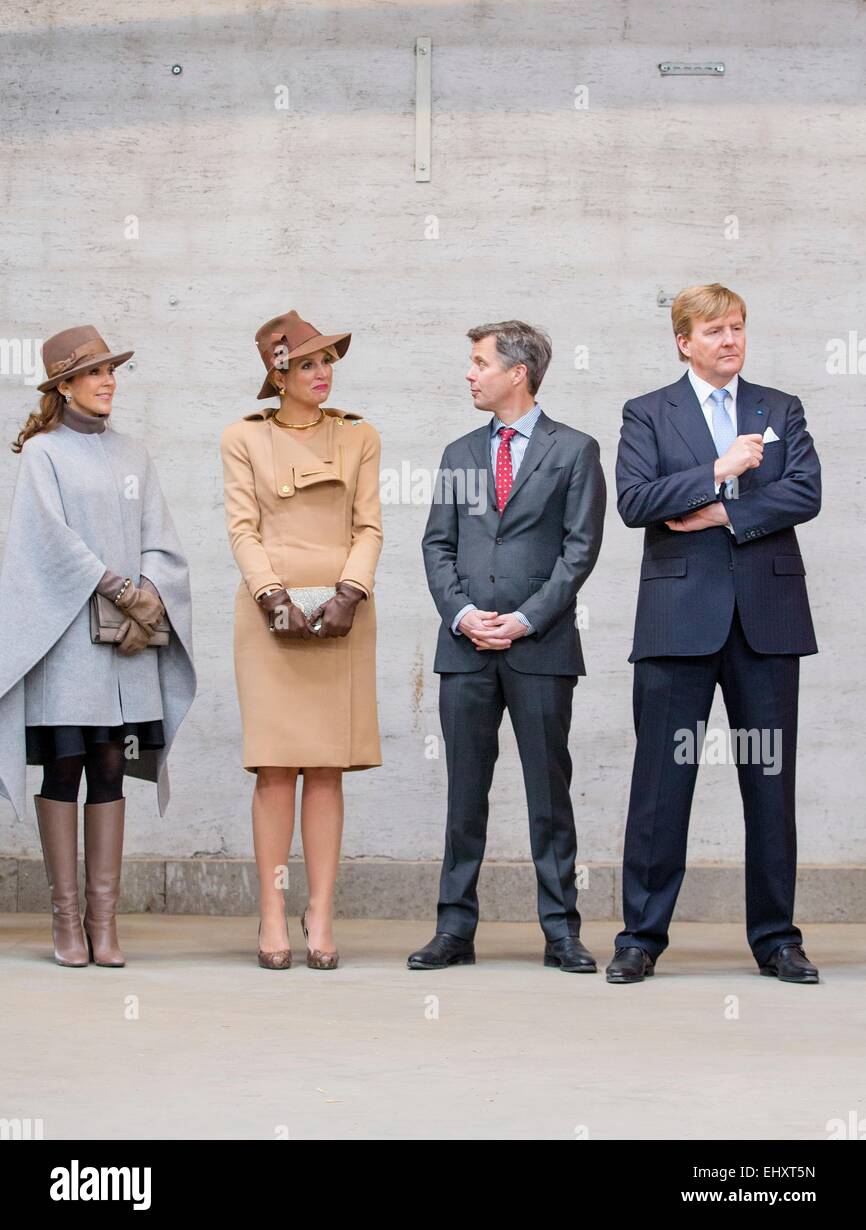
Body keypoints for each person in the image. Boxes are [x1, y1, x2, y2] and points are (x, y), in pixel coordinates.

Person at [607, 284, 821, 984]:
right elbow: (636, 500)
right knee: (662, 785)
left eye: (738, 328)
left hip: (767, 621)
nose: (731, 340)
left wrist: (722, 514)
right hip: (679, 623)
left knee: (770, 784)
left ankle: (777, 939)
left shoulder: (779, 408)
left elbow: (806, 492)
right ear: (684, 341)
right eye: (715, 330)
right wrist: (719, 472)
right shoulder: (647, 413)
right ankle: (640, 937)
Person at [408, 320, 606, 971]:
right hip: (465, 649)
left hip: (540, 648)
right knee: (464, 793)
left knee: (549, 795)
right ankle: (454, 929)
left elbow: (579, 552)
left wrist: (523, 619)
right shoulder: (460, 453)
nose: (470, 373)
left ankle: (561, 931)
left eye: (479, 362)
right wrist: (464, 614)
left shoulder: (575, 451)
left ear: (517, 372)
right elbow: (438, 544)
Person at [0, 324, 196, 966]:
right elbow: (44, 542)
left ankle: (103, 922)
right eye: (93, 373)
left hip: (126, 646)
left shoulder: (134, 454)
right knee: (64, 766)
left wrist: (150, 595)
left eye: (112, 370)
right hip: (66, 646)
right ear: (63, 384)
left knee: (112, 765)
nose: (108, 381)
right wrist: (118, 588)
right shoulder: (44, 455)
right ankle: (65, 922)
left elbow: (159, 537)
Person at [220, 309, 383, 971]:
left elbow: (370, 525)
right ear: (277, 374)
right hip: (270, 613)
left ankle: (319, 911)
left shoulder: (359, 435)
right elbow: (242, 527)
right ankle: (271, 912)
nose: (323, 373)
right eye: (308, 363)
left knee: (326, 767)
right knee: (274, 767)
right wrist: (270, 596)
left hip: (344, 609)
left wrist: (350, 592)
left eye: (327, 361)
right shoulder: (242, 437)